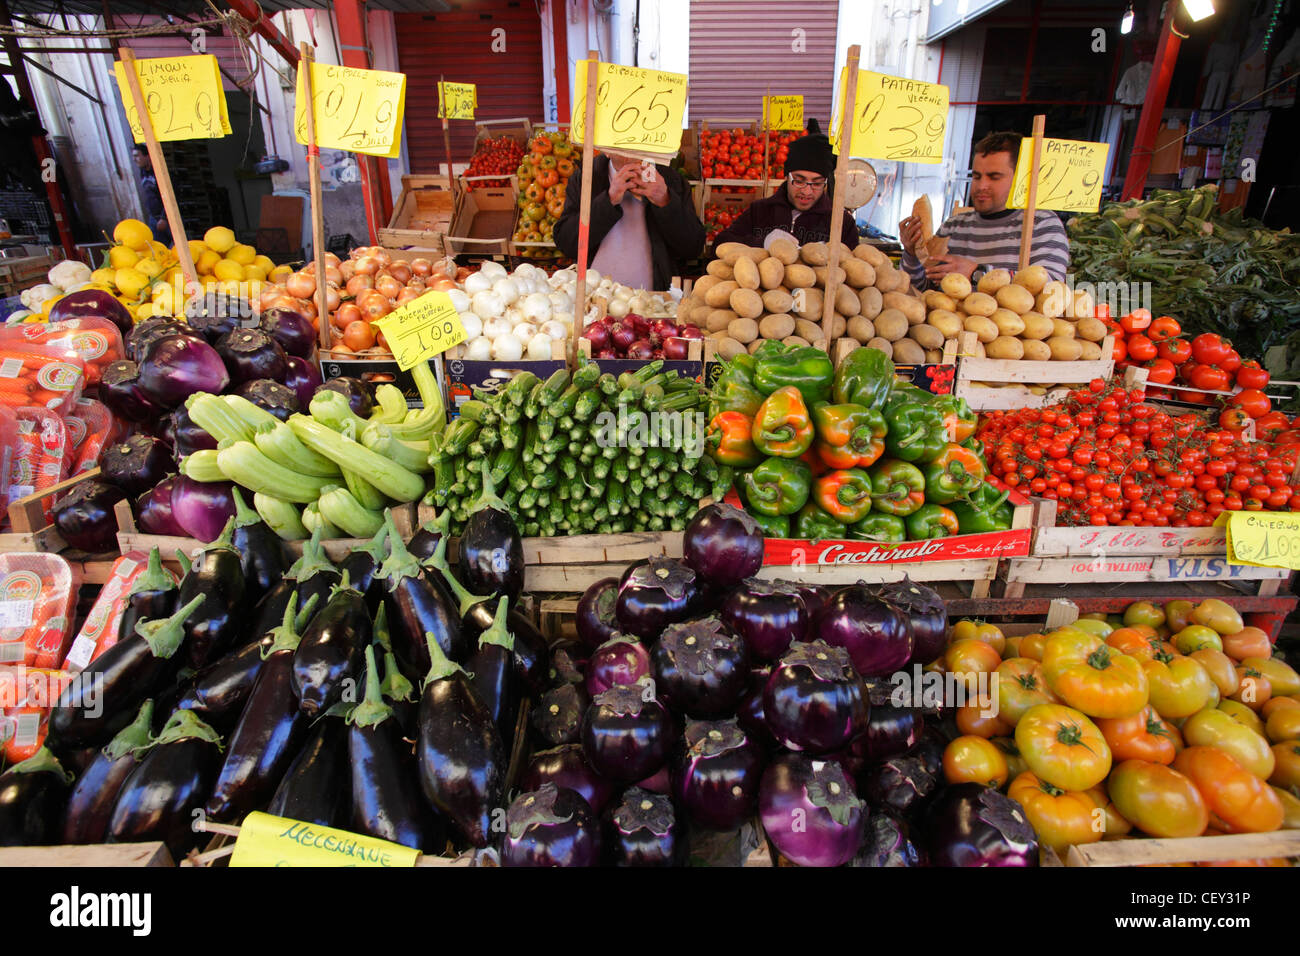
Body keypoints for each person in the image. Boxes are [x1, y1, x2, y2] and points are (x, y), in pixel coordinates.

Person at [899, 131, 1070, 292]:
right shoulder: (954, 226)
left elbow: (1052, 287)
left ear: (1020, 178)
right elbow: (923, 289)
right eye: (977, 176)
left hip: (1011, 324)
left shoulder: (1042, 224)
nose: (981, 186)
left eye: (994, 177)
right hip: (949, 322)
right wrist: (912, 254)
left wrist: (977, 273)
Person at [553, 152, 704, 292]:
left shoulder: (671, 180)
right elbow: (567, 243)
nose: (635, 147)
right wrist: (609, 200)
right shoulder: (586, 178)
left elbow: (692, 248)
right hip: (592, 301)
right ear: (606, 149)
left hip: (654, 303)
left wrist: (665, 200)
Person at [712, 119, 859, 250]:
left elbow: (856, 271)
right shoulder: (760, 211)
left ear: (825, 183)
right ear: (786, 177)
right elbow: (719, 245)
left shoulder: (842, 223)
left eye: (816, 183)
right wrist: (763, 242)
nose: (807, 191)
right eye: (799, 181)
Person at [133, 143, 171, 247]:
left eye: (137, 156)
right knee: (159, 248)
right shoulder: (143, 172)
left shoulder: (159, 172)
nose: (135, 159)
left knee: (179, 247)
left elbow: (170, 196)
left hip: (167, 217)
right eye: (133, 156)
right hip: (154, 218)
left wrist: (164, 217)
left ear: (147, 156)